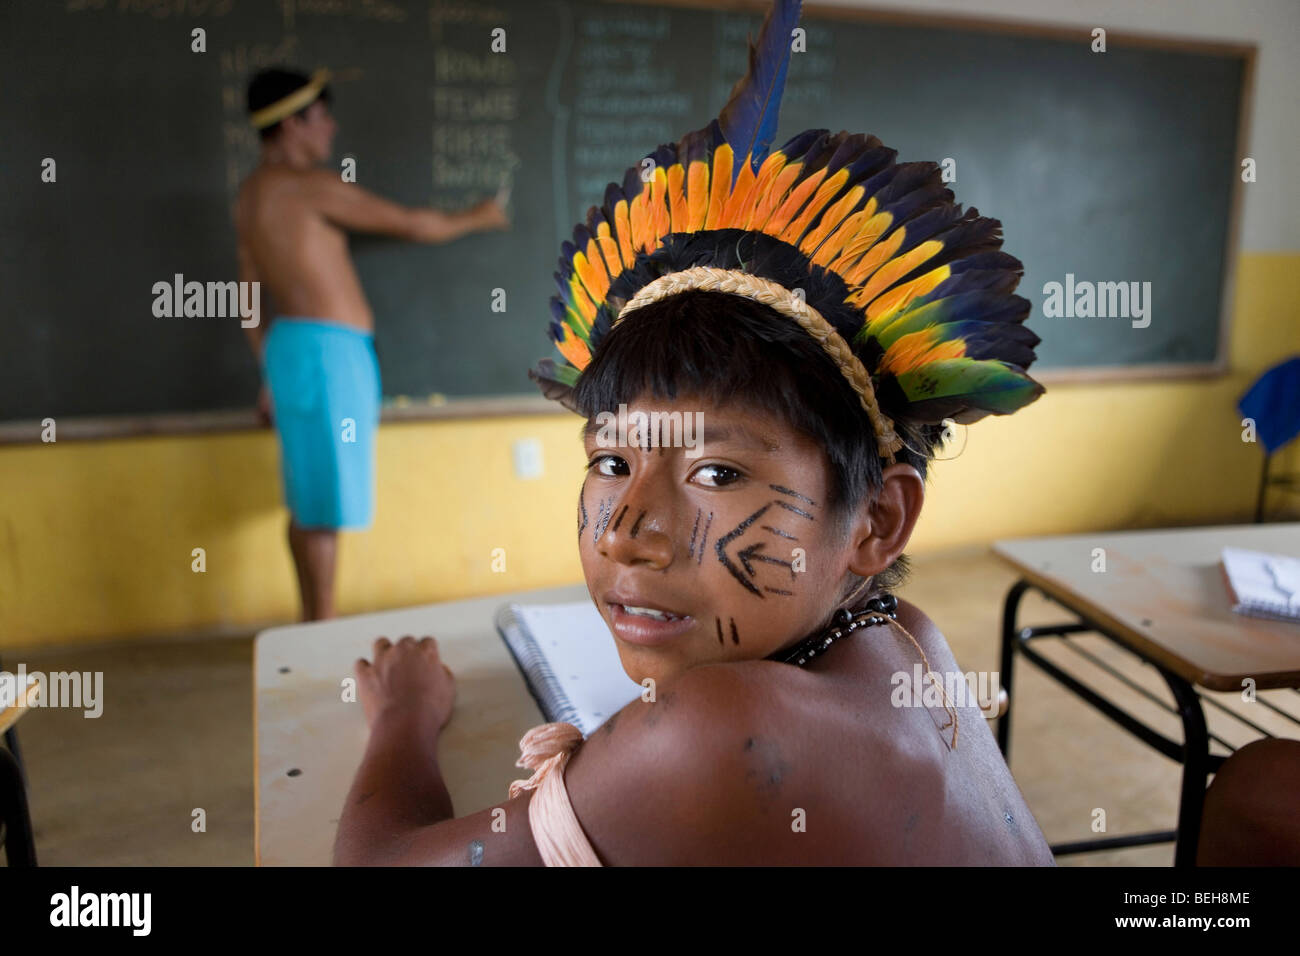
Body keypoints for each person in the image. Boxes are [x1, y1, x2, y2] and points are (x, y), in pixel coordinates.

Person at [333, 0, 1053, 865]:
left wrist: (403, 720)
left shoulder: (714, 729)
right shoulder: (907, 634)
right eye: (610, 460)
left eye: (716, 474)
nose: (628, 531)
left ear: (876, 521)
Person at [235, 67, 509, 621]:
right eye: (321, 117)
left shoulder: (249, 195)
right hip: (327, 354)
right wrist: (479, 216)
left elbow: (246, 298)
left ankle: (313, 622)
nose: (331, 128)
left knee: (310, 498)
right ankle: (321, 630)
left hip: (290, 351)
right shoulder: (307, 186)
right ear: (291, 124)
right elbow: (412, 223)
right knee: (323, 508)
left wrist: (269, 371)